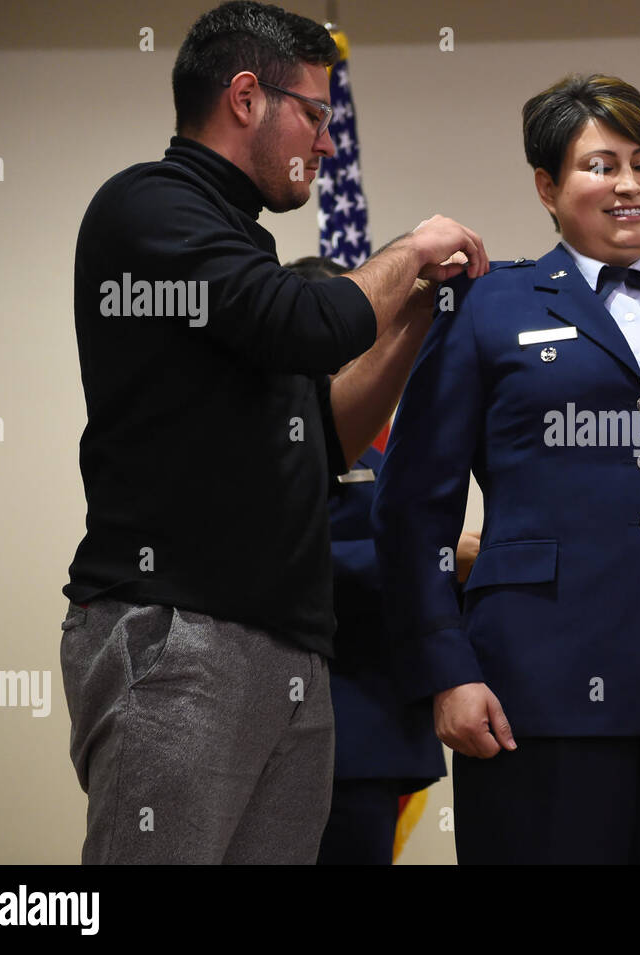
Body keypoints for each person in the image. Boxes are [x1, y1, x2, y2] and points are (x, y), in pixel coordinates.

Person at [59, 1, 486, 864]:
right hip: (178, 631)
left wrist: (418, 312)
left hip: (290, 648)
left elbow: (323, 441)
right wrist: (413, 247)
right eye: (317, 115)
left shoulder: (241, 251)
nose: (327, 143)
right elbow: (306, 322)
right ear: (247, 98)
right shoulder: (148, 206)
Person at [372, 73, 640, 865]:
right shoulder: (482, 308)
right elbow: (413, 510)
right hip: (532, 693)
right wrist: (446, 670)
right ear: (547, 185)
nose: (629, 184)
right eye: (600, 165)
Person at [284, 255, 472, 865]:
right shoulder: (284, 433)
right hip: (314, 723)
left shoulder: (389, 431)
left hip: (381, 725)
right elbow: (285, 562)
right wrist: (438, 560)